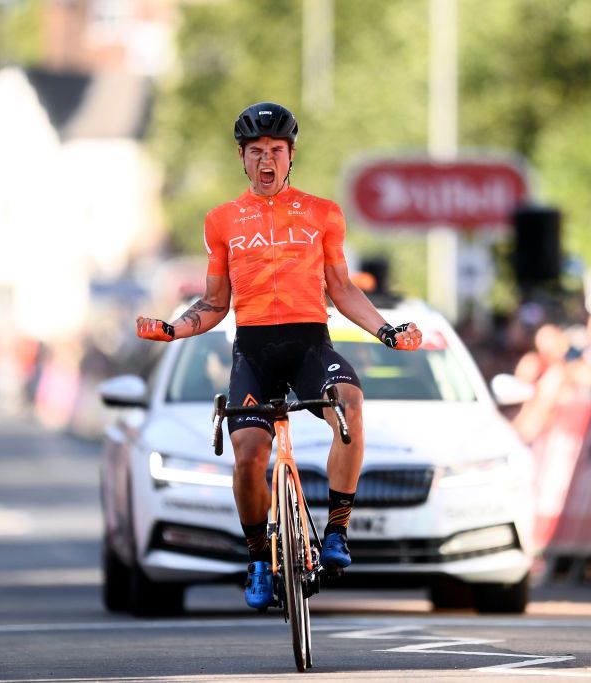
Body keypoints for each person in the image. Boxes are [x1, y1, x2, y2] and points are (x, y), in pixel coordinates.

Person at [135, 102, 422, 610]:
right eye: (256, 152)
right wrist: (172, 329)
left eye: (276, 151)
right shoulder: (221, 220)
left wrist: (387, 330)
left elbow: (342, 289)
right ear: (242, 159)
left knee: (350, 407)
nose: (266, 161)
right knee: (248, 455)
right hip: (255, 348)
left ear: (291, 156)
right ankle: (256, 558)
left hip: (310, 342)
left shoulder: (323, 214)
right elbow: (214, 304)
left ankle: (336, 532)